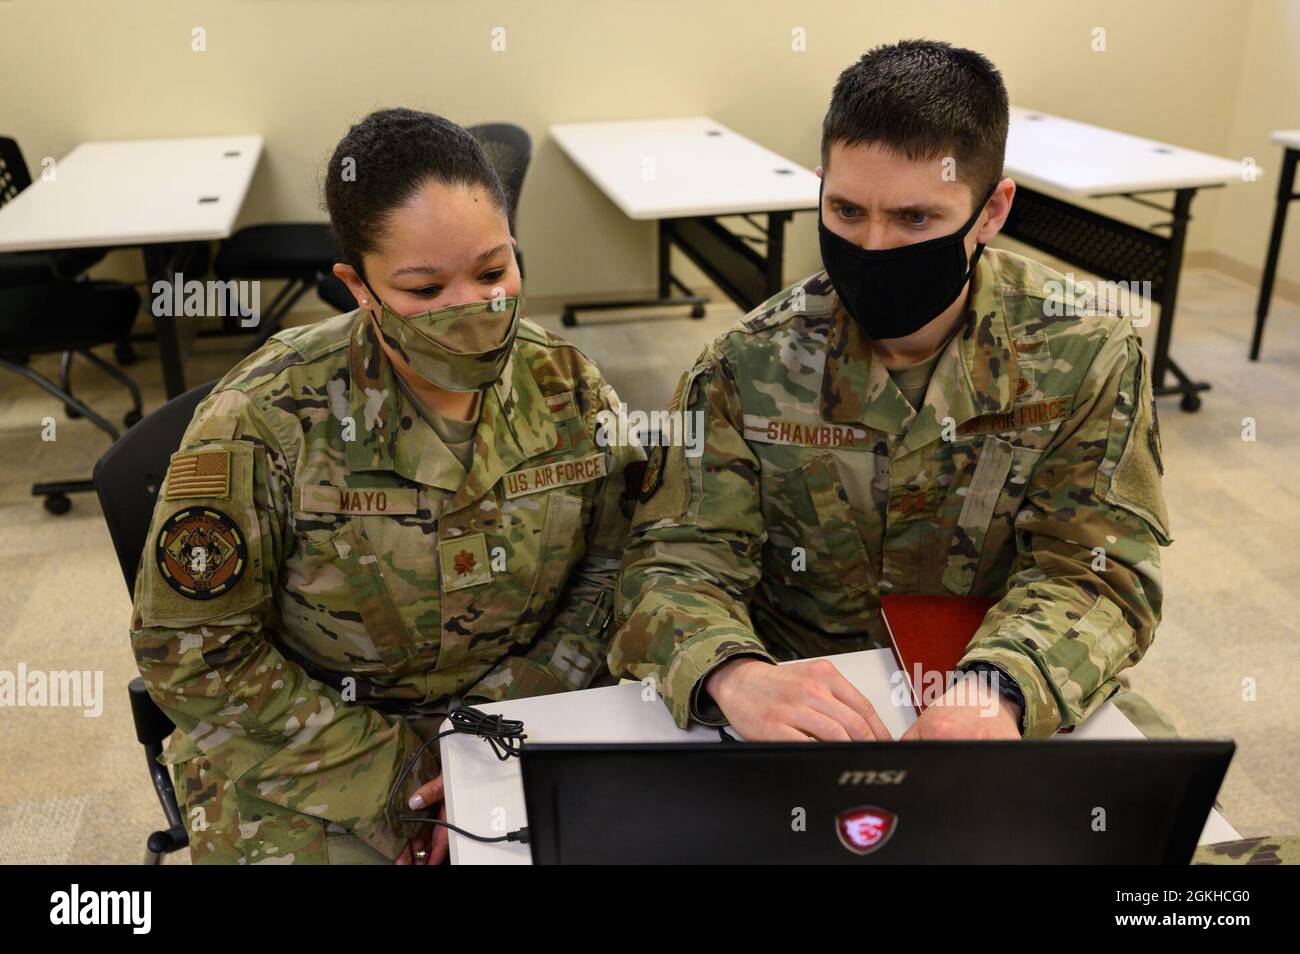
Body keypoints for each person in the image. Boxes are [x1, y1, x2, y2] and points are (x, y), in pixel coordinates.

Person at [610, 40, 1174, 745]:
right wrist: (734, 674)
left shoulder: (1083, 353)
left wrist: (1000, 690)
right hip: (801, 699)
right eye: (846, 211)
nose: (872, 247)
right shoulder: (744, 365)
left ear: (992, 211)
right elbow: (675, 562)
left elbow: (1097, 569)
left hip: (1005, 685)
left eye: (914, 219)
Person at [131, 108, 641, 865]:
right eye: (425, 287)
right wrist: (398, 779)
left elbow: (618, 566)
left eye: (494, 272)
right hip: (312, 745)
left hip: (518, 720)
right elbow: (191, 650)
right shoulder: (264, 420)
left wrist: (494, 729)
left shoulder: (566, 387)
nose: (471, 307)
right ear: (357, 288)